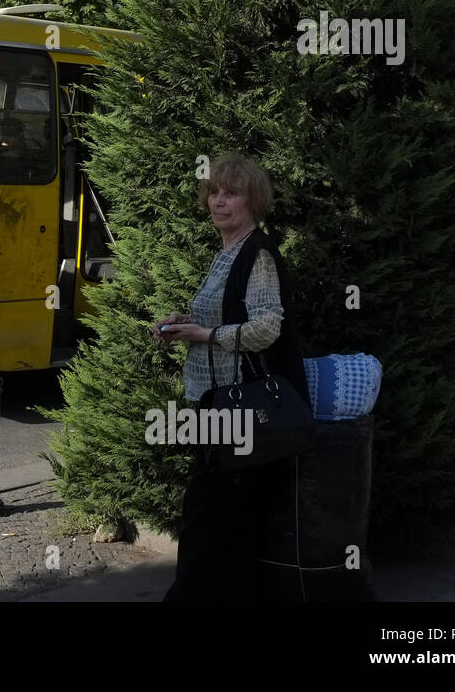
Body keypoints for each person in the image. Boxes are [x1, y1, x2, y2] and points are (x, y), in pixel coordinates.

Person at [152, 152, 310, 601]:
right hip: (215, 400)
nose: (219, 202)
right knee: (225, 519)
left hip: (239, 407)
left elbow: (266, 327)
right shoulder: (228, 251)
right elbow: (224, 315)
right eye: (214, 192)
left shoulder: (256, 253)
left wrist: (204, 333)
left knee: (209, 515)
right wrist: (182, 323)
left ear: (253, 201)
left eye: (231, 193)